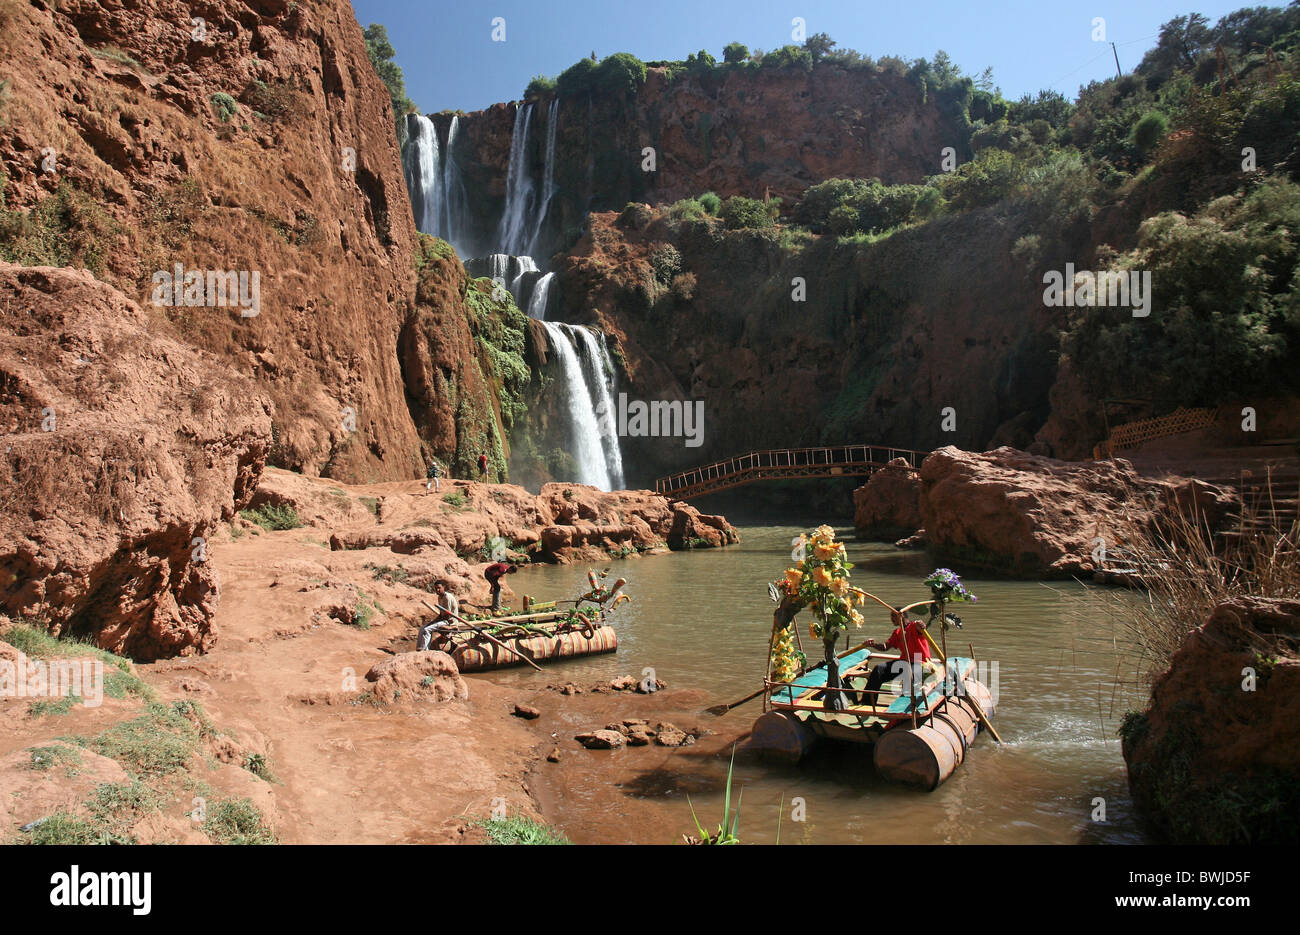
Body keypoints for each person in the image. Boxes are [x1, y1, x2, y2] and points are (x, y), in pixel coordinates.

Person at [860, 609, 932, 708]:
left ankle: (907, 708)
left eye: (894, 616)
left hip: (919, 661)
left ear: (901, 616)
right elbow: (885, 647)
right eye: (891, 617)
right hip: (904, 662)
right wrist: (873, 645)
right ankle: (867, 702)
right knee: (878, 669)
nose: (891, 619)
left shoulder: (914, 626)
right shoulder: (897, 632)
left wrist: (921, 625)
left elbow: (922, 627)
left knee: (910, 678)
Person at [417, 580, 459, 651]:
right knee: (422, 628)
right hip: (444, 619)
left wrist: (435, 622)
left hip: (449, 622)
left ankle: (425, 650)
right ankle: (419, 648)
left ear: (444, 587)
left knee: (427, 629)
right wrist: (433, 621)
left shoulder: (447, 597)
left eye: (439, 588)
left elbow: (447, 615)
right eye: (436, 588)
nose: (437, 590)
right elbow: (441, 614)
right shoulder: (440, 597)